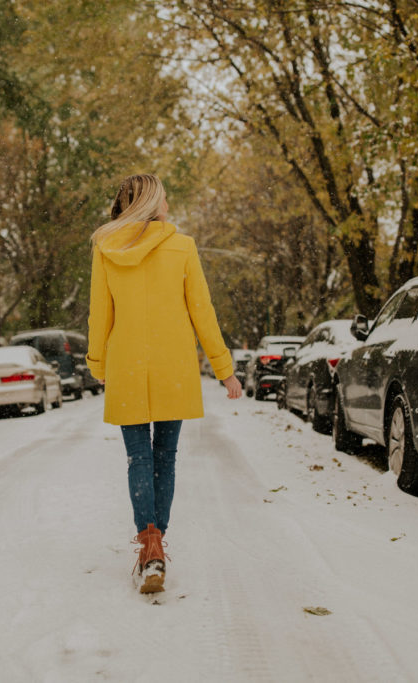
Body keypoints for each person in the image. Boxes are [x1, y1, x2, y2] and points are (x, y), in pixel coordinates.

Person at [86, 173, 243, 594]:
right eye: (165, 195)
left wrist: (97, 361)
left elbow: (100, 313)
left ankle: (148, 545)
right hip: (174, 365)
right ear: (154, 202)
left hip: (127, 365)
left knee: (139, 459)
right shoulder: (183, 247)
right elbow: (202, 312)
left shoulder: (106, 249)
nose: (169, 201)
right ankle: (156, 546)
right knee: (165, 457)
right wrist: (224, 368)